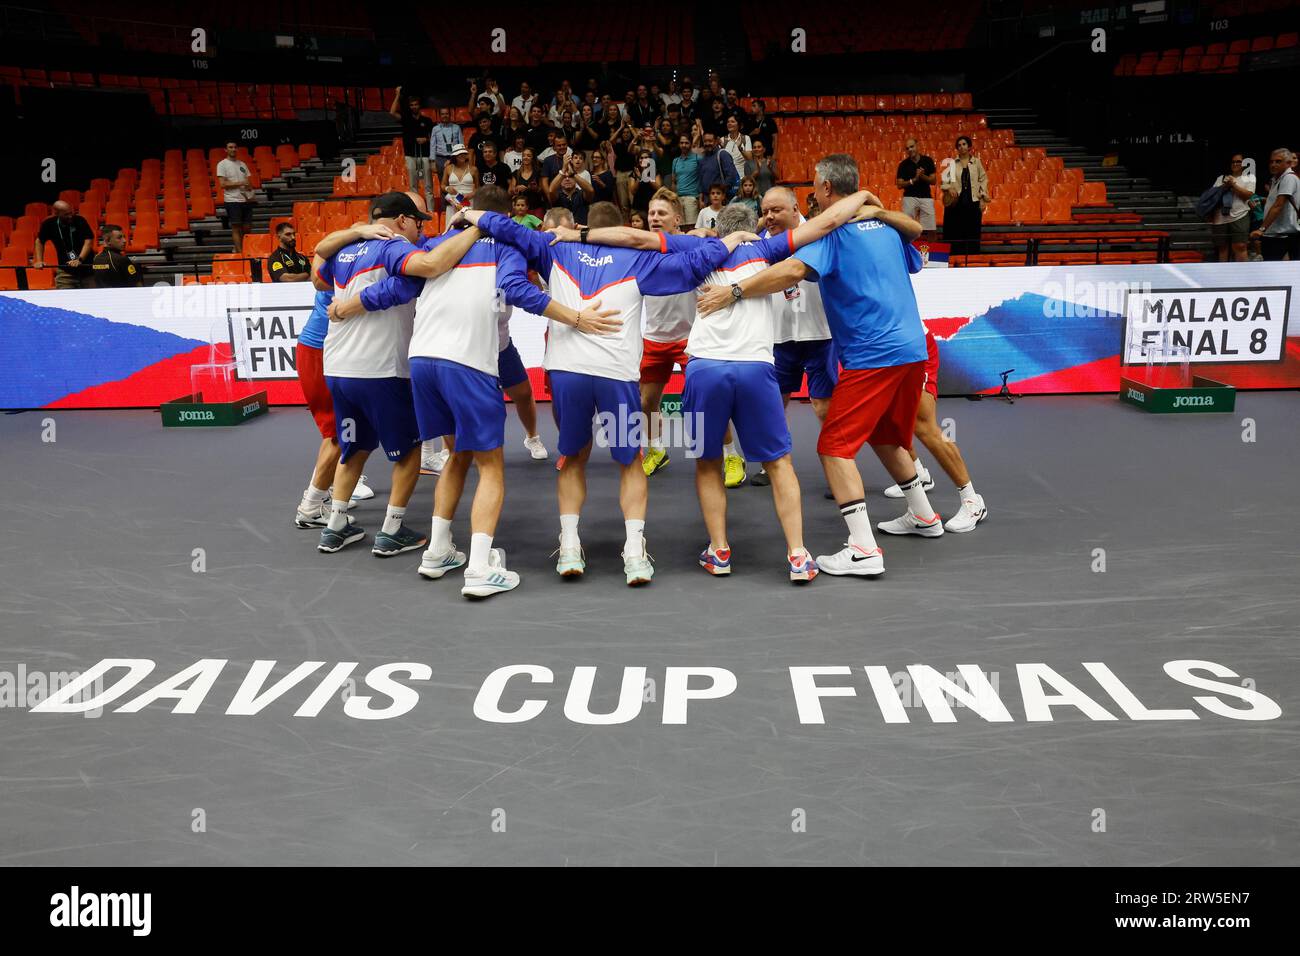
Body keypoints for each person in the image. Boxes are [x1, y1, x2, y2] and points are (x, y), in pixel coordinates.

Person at [330, 187, 615, 597]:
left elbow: (398, 289)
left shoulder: (434, 243)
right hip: (467, 362)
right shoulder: (505, 245)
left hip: (422, 361)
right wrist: (575, 317)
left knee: (457, 455)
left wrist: (346, 305)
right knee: (491, 466)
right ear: (500, 217)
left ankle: (438, 551)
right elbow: (516, 289)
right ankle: (480, 568)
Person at [458, 200, 744, 585]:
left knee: (572, 457)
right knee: (630, 461)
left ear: (581, 225)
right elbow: (698, 264)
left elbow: (506, 229)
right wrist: (731, 239)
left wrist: (468, 215)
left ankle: (571, 546)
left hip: (566, 371)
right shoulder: (639, 260)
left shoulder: (553, 248)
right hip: (615, 374)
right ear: (621, 228)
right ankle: (633, 552)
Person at [697, 154, 941, 577]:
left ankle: (863, 549)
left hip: (873, 354)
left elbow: (792, 270)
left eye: (814, 184)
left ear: (827, 189)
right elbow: (913, 254)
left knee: (833, 447)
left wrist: (734, 290)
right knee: (884, 434)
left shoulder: (832, 232)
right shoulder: (887, 225)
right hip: (913, 349)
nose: (814, 190)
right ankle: (923, 515)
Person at [646, 192, 872, 580]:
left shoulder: (698, 248)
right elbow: (825, 223)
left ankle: (719, 551)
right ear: (751, 230)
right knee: (779, 463)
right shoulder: (767, 250)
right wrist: (862, 196)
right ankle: (798, 555)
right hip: (755, 368)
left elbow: (640, 239)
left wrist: (575, 234)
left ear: (719, 230)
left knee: (707, 461)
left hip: (705, 367)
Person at [308, 192, 482, 559]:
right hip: (382, 367)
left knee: (353, 447)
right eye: (418, 221)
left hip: (338, 367)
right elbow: (426, 270)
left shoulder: (346, 250)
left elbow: (319, 278)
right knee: (409, 451)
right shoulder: (394, 246)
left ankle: (335, 526)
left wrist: (351, 238)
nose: (420, 228)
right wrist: (474, 232)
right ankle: (391, 530)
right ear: (401, 221)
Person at [748, 187, 837, 488]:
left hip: (820, 334)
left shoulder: (818, 233)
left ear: (796, 208)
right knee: (775, 404)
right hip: (779, 337)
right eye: (765, 211)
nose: (769, 217)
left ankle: (837, 470)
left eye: (776, 210)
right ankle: (773, 465)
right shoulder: (759, 244)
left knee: (824, 407)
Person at [880, 329, 988, 532]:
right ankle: (919, 475)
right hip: (884, 348)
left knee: (923, 425)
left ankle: (972, 501)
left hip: (911, 345)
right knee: (890, 419)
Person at [940, 135, 989, 257]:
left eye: (964, 144)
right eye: (959, 145)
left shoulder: (977, 162)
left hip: (972, 201)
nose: (961, 147)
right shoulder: (952, 164)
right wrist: (950, 187)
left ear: (969, 146)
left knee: (972, 230)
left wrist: (982, 198)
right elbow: (944, 182)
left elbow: (983, 180)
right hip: (956, 202)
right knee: (954, 230)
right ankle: (954, 257)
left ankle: (972, 258)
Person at [1252, 148, 1299, 261]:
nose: (1273, 164)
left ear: (1288, 163)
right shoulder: (1276, 179)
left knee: (1272, 271)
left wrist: (1261, 229)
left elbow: (1278, 205)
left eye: (1278, 161)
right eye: (1271, 161)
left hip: (1284, 234)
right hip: (1278, 233)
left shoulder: (1288, 178)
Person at [34, 201, 94, 288]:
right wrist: (39, 260)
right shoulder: (49, 224)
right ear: (56, 213)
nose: (70, 216)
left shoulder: (80, 220)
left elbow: (88, 241)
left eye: (71, 213)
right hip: (65, 271)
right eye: (66, 214)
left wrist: (79, 259)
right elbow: (39, 241)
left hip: (88, 269)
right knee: (63, 298)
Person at [391, 90, 433, 210]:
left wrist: (426, 139)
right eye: (412, 105)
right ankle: (416, 210)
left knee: (428, 186)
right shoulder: (406, 119)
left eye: (416, 104)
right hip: (410, 155)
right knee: (413, 186)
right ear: (409, 107)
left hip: (424, 155)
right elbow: (392, 112)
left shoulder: (427, 121)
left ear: (419, 105)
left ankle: (430, 211)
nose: (414, 106)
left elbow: (433, 138)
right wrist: (398, 95)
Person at [216, 142, 255, 254]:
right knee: (236, 227)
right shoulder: (222, 164)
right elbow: (223, 184)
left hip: (245, 199)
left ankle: (242, 248)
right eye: (230, 147)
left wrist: (249, 188)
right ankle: (240, 252)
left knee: (247, 228)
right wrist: (241, 183)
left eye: (235, 147)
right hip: (232, 200)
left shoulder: (242, 164)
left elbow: (248, 181)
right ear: (226, 149)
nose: (233, 149)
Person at [897, 137, 937, 236]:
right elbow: (899, 184)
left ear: (917, 146)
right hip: (909, 197)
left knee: (931, 230)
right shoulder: (903, 164)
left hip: (926, 197)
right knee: (906, 228)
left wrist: (922, 176)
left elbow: (933, 181)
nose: (910, 150)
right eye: (907, 148)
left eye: (912, 146)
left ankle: (931, 251)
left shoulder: (928, 160)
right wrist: (913, 180)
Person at [697, 129, 740, 204]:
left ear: (716, 141)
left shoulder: (722, 155)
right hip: (706, 200)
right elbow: (701, 180)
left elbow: (731, 176)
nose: (707, 143)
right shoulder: (702, 158)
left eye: (710, 141)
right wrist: (701, 199)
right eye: (705, 141)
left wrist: (722, 194)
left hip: (720, 200)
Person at [670, 133, 703, 224]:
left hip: (692, 198)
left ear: (691, 143)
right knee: (679, 228)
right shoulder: (675, 161)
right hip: (678, 199)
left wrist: (701, 198)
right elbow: (673, 181)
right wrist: (674, 199)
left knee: (691, 227)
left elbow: (702, 179)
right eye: (681, 143)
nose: (683, 145)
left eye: (686, 143)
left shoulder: (698, 158)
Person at [443, 144, 478, 212]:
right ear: (454, 156)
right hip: (453, 202)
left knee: (468, 222)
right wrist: (447, 188)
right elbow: (442, 185)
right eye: (459, 154)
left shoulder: (474, 169)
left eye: (464, 153)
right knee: (452, 222)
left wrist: (471, 194)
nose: (462, 156)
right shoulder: (448, 168)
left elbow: (478, 188)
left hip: (468, 202)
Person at [430, 107, 463, 177]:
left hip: (454, 158)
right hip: (440, 159)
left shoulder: (457, 127)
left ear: (450, 115)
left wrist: (460, 159)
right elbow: (432, 145)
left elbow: (461, 144)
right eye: (442, 114)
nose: (445, 116)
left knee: (455, 180)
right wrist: (432, 161)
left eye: (446, 114)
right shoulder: (435, 129)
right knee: (442, 182)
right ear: (440, 116)